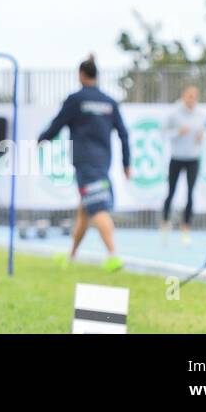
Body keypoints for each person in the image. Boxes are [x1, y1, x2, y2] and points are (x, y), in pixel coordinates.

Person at [37, 56, 131, 272]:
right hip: (103, 161)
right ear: (96, 75)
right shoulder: (109, 102)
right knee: (85, 210)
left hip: (86, 163)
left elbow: (57, 123)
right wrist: (127, 163)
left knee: (97, 207)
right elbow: (124, 134)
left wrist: (41, 139)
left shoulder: (76, 100)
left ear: (81, 75)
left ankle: (113, 255)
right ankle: (71, 256)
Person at [161, 84, 205, 245]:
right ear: (183, 96)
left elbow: (204, 132)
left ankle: (186, 229)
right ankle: (165, 224)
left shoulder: (201, 114)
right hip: (177, 158)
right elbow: (164, 133)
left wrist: (201, 137)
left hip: (193, 158)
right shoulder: (174, 113)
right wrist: (177, 132)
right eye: (189, 96)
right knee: (171, 192)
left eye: (194, 96)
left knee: (190, 194)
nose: (191, 99)